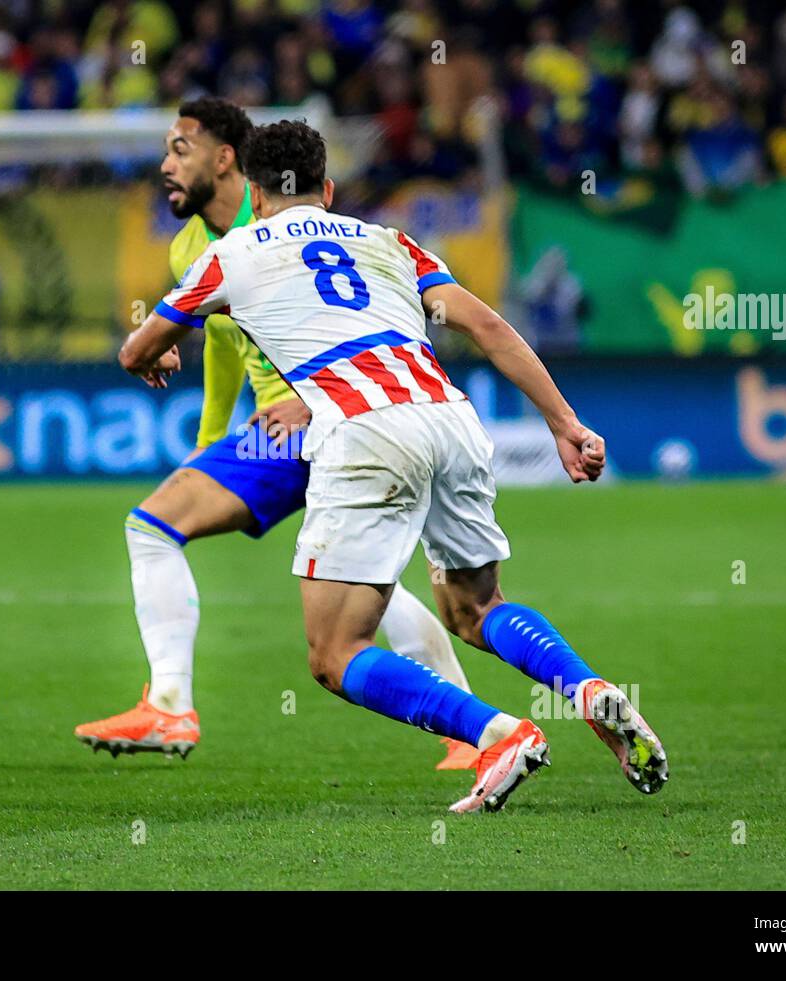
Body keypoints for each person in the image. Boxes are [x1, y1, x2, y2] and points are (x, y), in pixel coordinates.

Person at [120, 120, 668, 812]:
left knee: (334, 652)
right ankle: (586, 688)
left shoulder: (231, 252)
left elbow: (139, 348)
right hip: (449, 417)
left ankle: (495, 733)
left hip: (363, 432)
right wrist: (566, 424)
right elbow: (490, 328)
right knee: (477, 607)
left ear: (254, 193)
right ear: (327, 188)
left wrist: (158, 355)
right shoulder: (389, 241)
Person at [76, 99, 479, 771]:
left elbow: (338, 321)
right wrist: (211, 441)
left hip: (324, 420)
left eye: (180, 149)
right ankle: (467, 731)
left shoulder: (267, 223)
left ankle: (171, 704)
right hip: (293, 429)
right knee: (370, 583)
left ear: (227, 160)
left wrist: (300, 399)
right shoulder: (187, 245)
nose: (165, 165)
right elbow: (227, 351)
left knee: (152, 528)